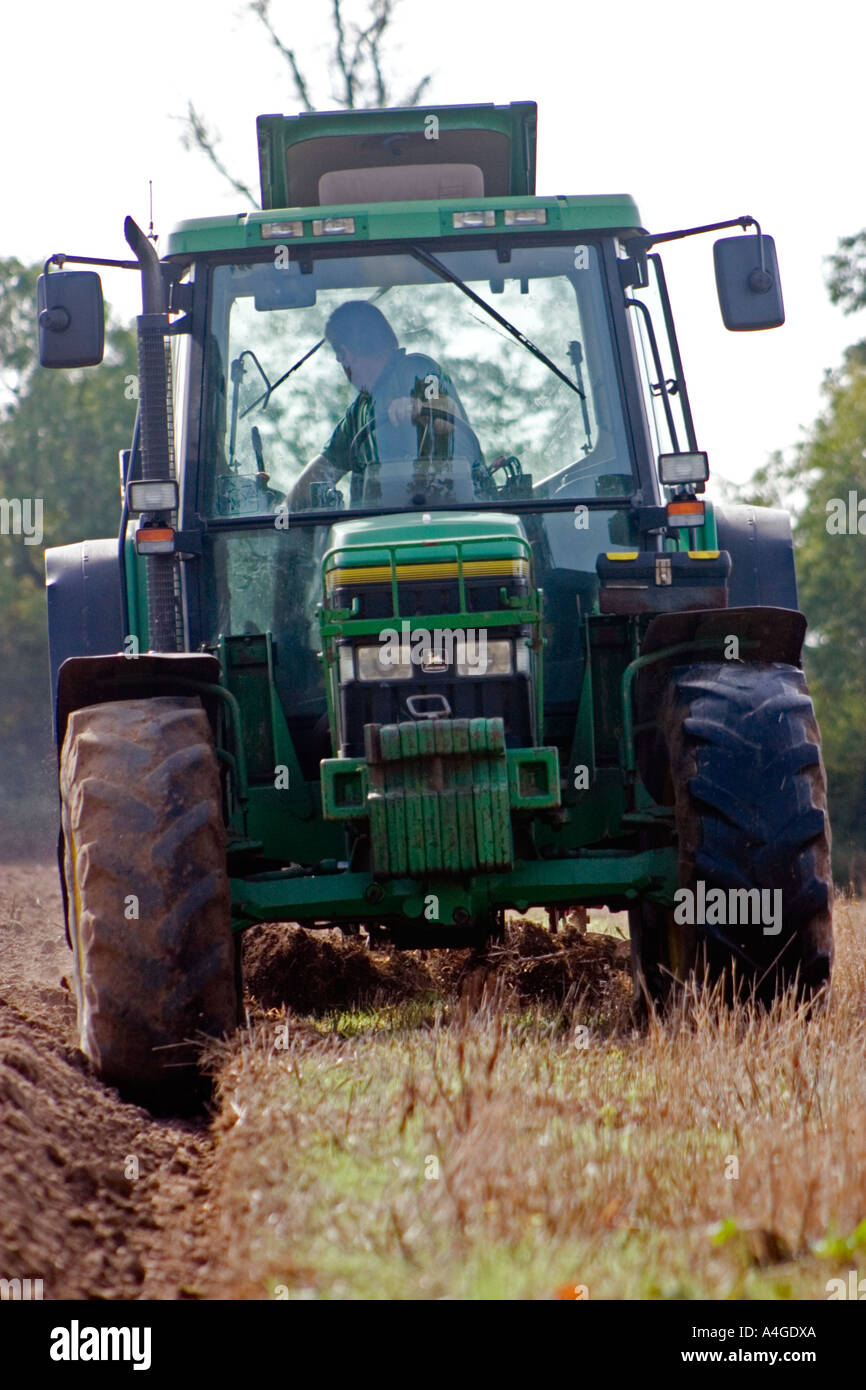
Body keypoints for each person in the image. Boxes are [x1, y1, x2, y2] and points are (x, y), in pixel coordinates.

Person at [288, 301, 469, 508]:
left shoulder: (417, 369)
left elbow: (445, 415)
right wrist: (281, 512)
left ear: (346, 354)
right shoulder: (359, 411)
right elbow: (322, 471)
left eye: (339, 357)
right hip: (379, 529)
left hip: (452, 515)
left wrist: (419, 407)